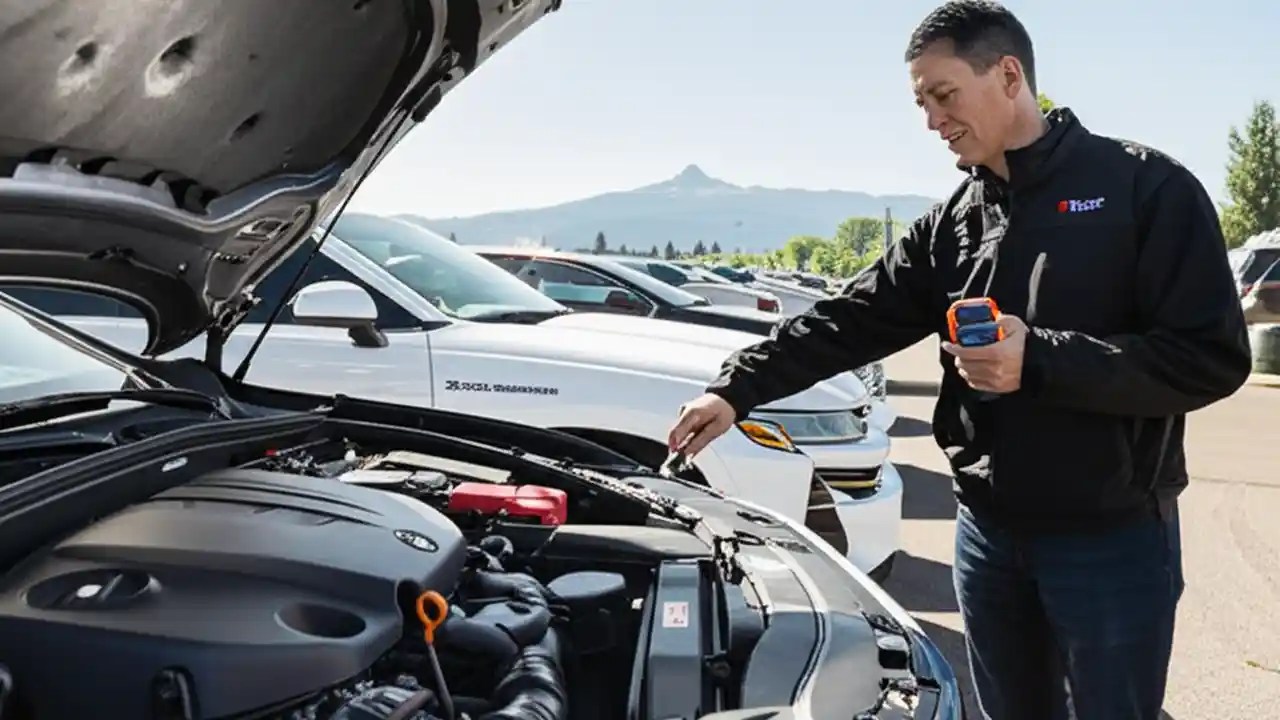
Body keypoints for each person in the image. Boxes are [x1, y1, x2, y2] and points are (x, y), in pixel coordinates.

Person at [666, 2, 1252, 718]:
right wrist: (738, 390)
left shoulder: (1146, 190)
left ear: (1009, 75)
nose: (932, 120)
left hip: (1112, 541)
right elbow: (851, 318)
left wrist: (1038, 360)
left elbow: (1210, 358)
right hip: (988, 534)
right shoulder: (955, 219)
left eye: (943, 96)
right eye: (921, 102)